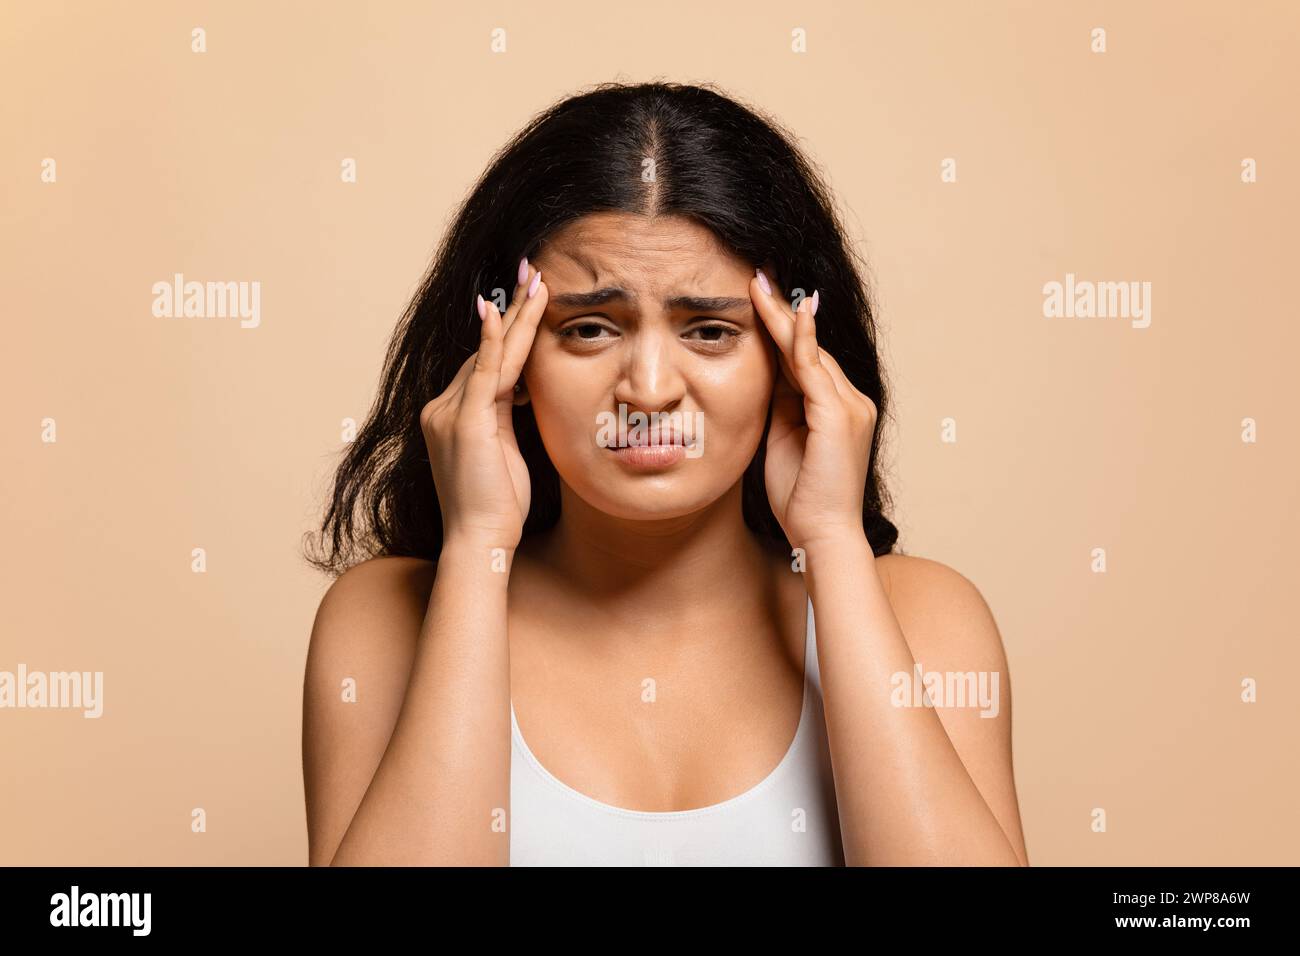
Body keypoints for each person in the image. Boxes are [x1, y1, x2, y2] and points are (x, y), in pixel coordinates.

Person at [301, 81, 1028, 866]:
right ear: (505, 360)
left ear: (792, 362)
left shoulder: (928, 622)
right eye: (587, 328)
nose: (649, 388)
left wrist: (832, 542)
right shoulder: (382, 624)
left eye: (711, 330)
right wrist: (478, 543)